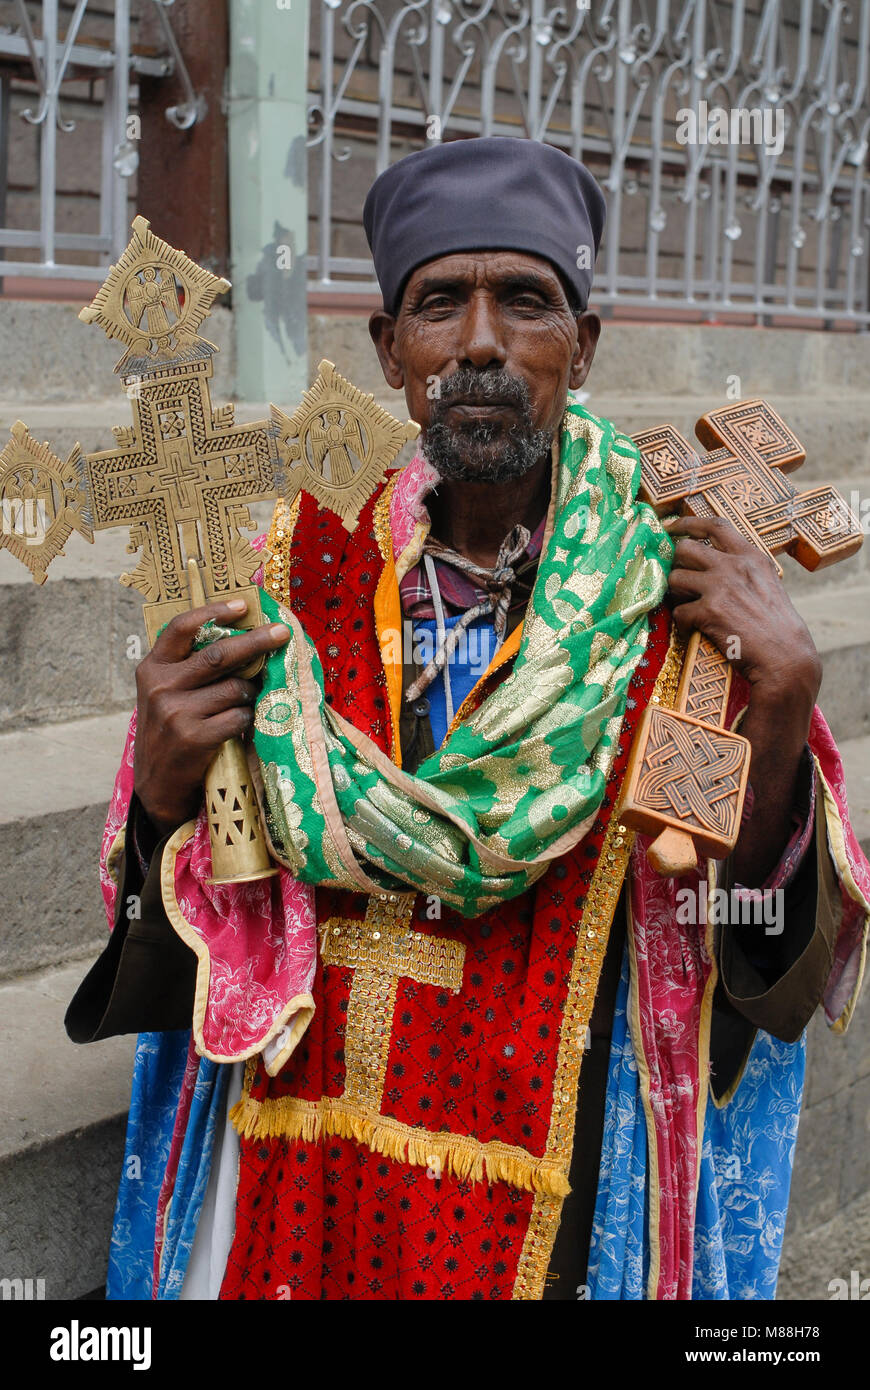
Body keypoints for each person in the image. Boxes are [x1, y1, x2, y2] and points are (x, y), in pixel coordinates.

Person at [66, 137, 869, 1301]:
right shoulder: (286, 570)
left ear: (581, 346)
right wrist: (160, 801)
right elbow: (177, 925)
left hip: (557, 1185)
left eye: (527, 302)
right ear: (390, 349)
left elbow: (735, 936)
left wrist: (783, 715)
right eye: (441, 303)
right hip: (298, 1172)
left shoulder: (676, 589)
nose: (481, 344)